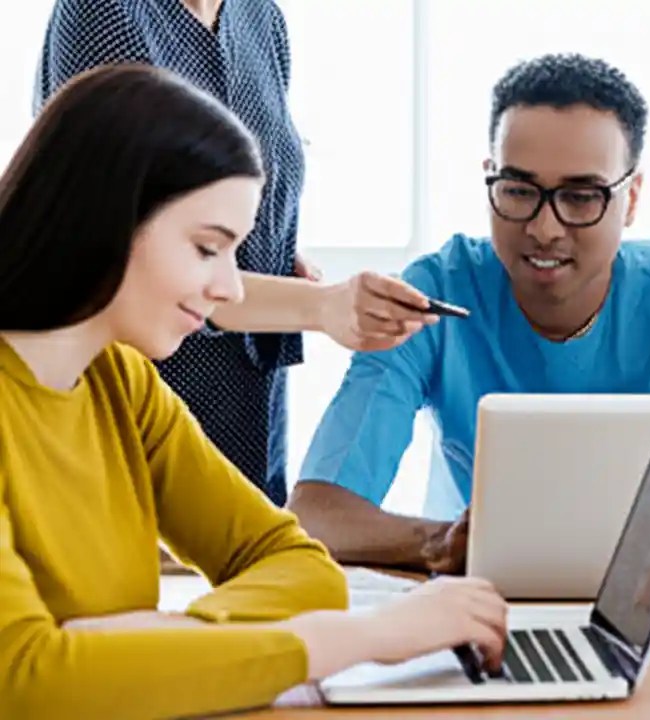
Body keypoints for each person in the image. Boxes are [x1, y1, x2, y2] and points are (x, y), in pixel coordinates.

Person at [0, 64, 507, 719]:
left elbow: (296, 561)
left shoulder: (120, 384)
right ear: (108, 217)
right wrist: (365, 637)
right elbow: (27, 683)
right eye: (208, 247)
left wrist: (171, 647)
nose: (232, 290)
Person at [288, 53, 650, 573]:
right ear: (490, 178)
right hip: (487, 604)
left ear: (634, 197)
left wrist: (614, 549)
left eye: (581, 197)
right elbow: (316, 514)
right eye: (519, 189)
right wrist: (441, 542)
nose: (545, 228)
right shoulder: (436, 294)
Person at [36, 0, 434, 506]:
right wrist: (321, 305)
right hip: (148, 380)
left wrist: (275, 252)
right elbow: (122, 244)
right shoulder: (105, 12)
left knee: (252, 552)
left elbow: (239, 182)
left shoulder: (259, 18)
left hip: (252, 384)